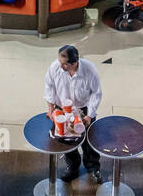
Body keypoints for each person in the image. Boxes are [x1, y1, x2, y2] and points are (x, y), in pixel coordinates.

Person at [44, 45, 103, 183]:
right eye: (59, 61)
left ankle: (93, 167)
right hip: (62, 108)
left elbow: (96, 93)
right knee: (66, 141)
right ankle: (72, 167)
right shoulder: (55, 67)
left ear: (74, 63)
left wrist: (89, 115)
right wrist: (51, 109)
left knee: (89, 140)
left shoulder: (90, 70)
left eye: (63, 64)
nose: (60, 65)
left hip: (84, 109)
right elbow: (49, 87)